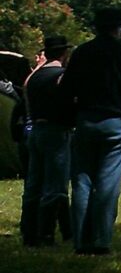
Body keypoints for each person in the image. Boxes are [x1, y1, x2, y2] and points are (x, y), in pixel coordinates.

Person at [59, 8, 121, 255]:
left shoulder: (82, 53)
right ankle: (100, 240)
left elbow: (66, 90)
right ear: (119, 28)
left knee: (81, 182)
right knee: (108, 184)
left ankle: (80, 240)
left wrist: (72, 118)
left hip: (86, 119)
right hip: (115, 122)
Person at [19, 36, 73, 246]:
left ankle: (29, 231)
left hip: (36, 131)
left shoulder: (34, 77)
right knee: (55, 185)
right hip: (57, 131)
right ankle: (46, 233)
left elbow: (25, 93)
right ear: (63, 53)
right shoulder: (62, 76)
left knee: (33, 184)